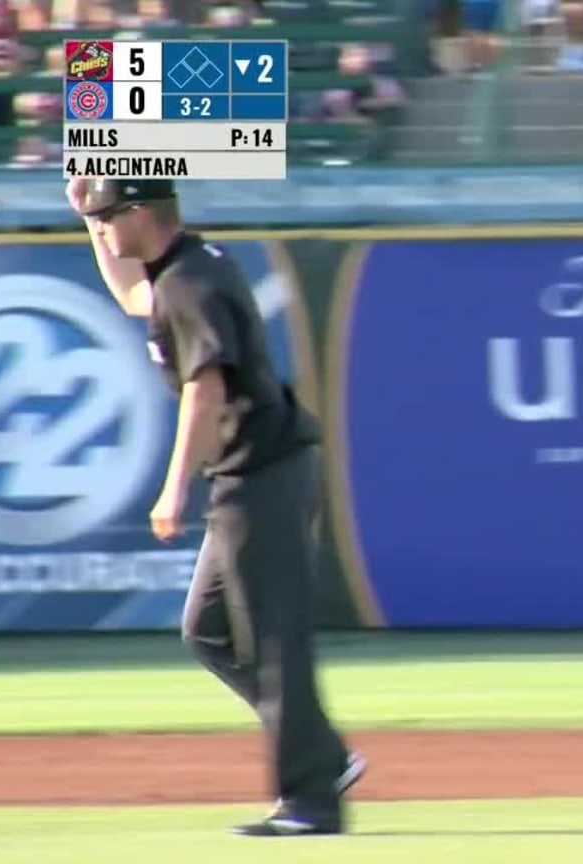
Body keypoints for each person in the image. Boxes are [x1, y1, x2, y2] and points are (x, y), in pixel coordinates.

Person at [65, 178, 365, 836]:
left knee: (274, 639)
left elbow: (206, 389)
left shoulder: (191, 284)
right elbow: (130, 293)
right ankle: (325, 754)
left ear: (143, 211)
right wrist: (86, 219)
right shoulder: (182, 270)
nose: (106, 229)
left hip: (263, 476)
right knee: (207, 630)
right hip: (249, 476)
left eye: (110, 217)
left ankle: (310, 802)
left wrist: (173, 487)